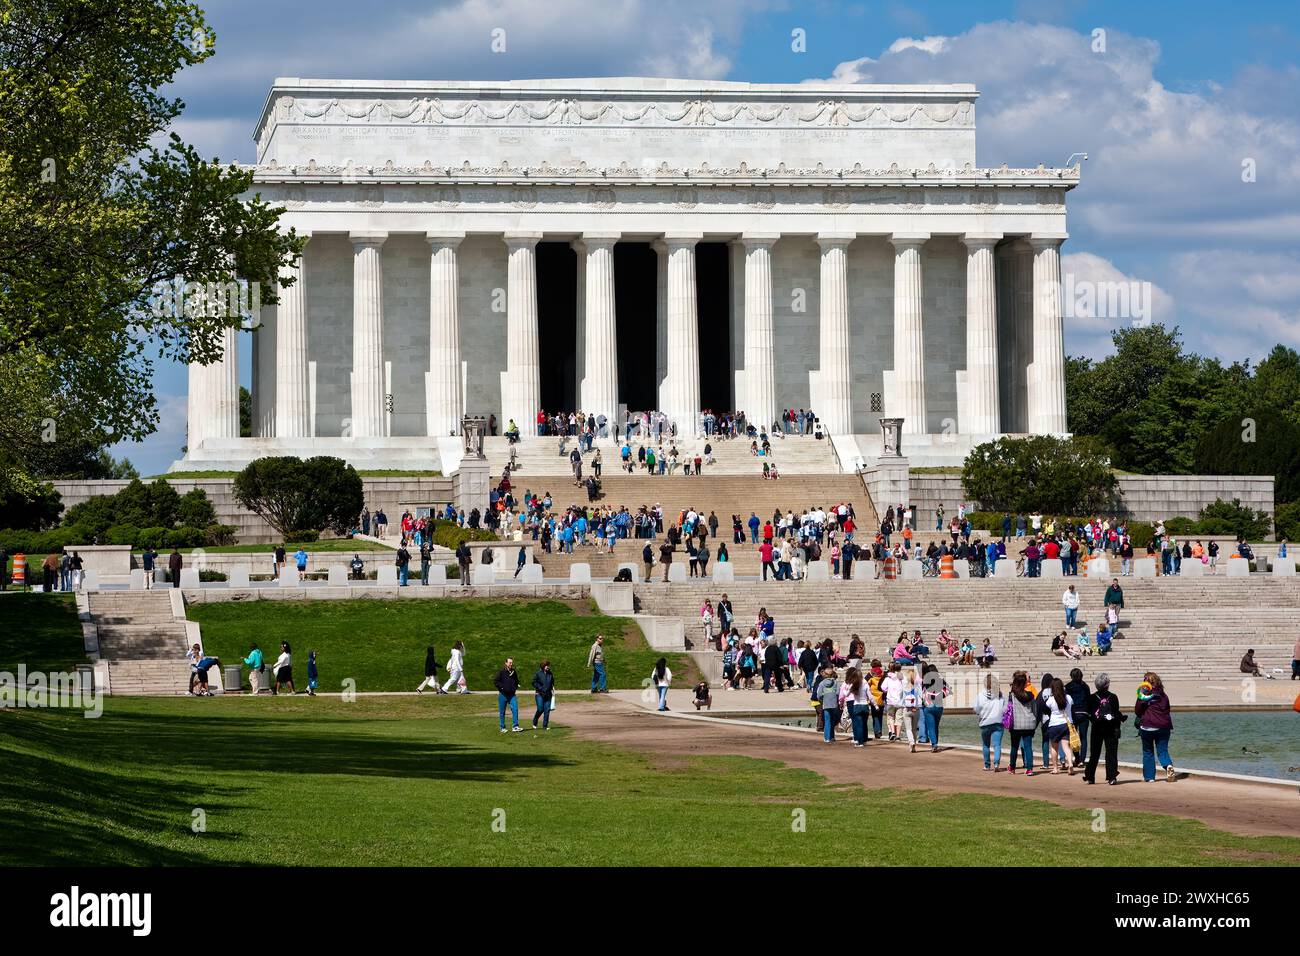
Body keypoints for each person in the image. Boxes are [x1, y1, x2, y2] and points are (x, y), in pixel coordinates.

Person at [1083, 672, 1126, 785]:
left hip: (1097, 728)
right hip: (1110, 728)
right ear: (1107, 684)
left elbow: (1089, 713)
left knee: (1094, 754)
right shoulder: (1113, 697)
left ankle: (1090, 776)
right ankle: (1111, 777)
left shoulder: (1091, 698)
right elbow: (1115, 712)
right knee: (1111, 753)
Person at [1134, 672, 1175, 782]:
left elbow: (1137, 711)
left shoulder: (1144, 695)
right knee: (1162, 750)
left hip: (1147, 726)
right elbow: (1167, 709)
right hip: (1164, 726)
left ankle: (1149, 777)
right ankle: (1168, 765)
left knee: (1148, 752)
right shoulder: (1163, 695)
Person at [1007, 671, 1038, 775]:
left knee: (1014, 746)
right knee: (1028, 746)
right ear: (1025, 683)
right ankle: (1029, 768)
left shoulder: (1012, 695)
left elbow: (1009, 709)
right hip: (1029, 723)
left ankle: (1012, 767)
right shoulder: (1031, 695)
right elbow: (1035, 710)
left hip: (1016, 724)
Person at [973, 673, 1005, 771]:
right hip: (998, 722)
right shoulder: (1000, 695)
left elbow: (976, 709)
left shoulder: (980, 695)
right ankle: (996, 764)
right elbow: (1004, 709)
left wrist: (981, 714)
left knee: (986, 744)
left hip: (985, 722)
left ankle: (987, 765)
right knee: (997, 745)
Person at [920, 663, 947, 752]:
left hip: (929, 705)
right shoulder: (940, 679)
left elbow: (922, 693)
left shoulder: (925, 680)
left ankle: (934, 744)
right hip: (939, 705)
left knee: (931, 726)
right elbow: (947, 690)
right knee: (936, 726)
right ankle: (936, 743)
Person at [842, 666, 871, 747]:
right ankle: (864, 739)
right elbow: (870, 695)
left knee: (857, 723)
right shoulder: (865, 682)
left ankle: (858, 740)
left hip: (856, 705)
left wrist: (844, 691)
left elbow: (845, 694)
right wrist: (875, 705)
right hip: (865, 705)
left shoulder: (853, 683)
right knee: (864, 723)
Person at [494, 657, 523, 732]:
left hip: (512, 695)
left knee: (515, 709)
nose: (511, 664)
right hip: (503, 695)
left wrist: (516, 686)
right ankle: (502, 727)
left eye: (512, 662)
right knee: (502, 712)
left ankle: (515, 727)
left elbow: (517, 681)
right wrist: (502, 688)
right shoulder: (501, 672)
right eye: (509, 662)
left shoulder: (514, 672)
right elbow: (496, 682)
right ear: (506, 663)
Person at [816, 667, 842, 743]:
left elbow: (819, 695)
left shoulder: (822, 683)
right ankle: (832, 737)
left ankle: (827, 738)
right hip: (834, 703)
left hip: (826, 703)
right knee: (832, 720)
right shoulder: (836, 683)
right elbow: (837, 693)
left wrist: (822, 700)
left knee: (827, 721)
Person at [531, 660, 555, 730]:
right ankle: (535, 721)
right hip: (539, 694)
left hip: (548, 694)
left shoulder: (550, 674)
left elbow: (552, 682)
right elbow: (533, 682)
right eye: (547, 665)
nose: (548, 667)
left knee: (547, 710)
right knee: (540, 709)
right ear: (543, 666)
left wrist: (552, 689)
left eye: (548, 665)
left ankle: (545, 726)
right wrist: (540, 688)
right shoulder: (538, 673)